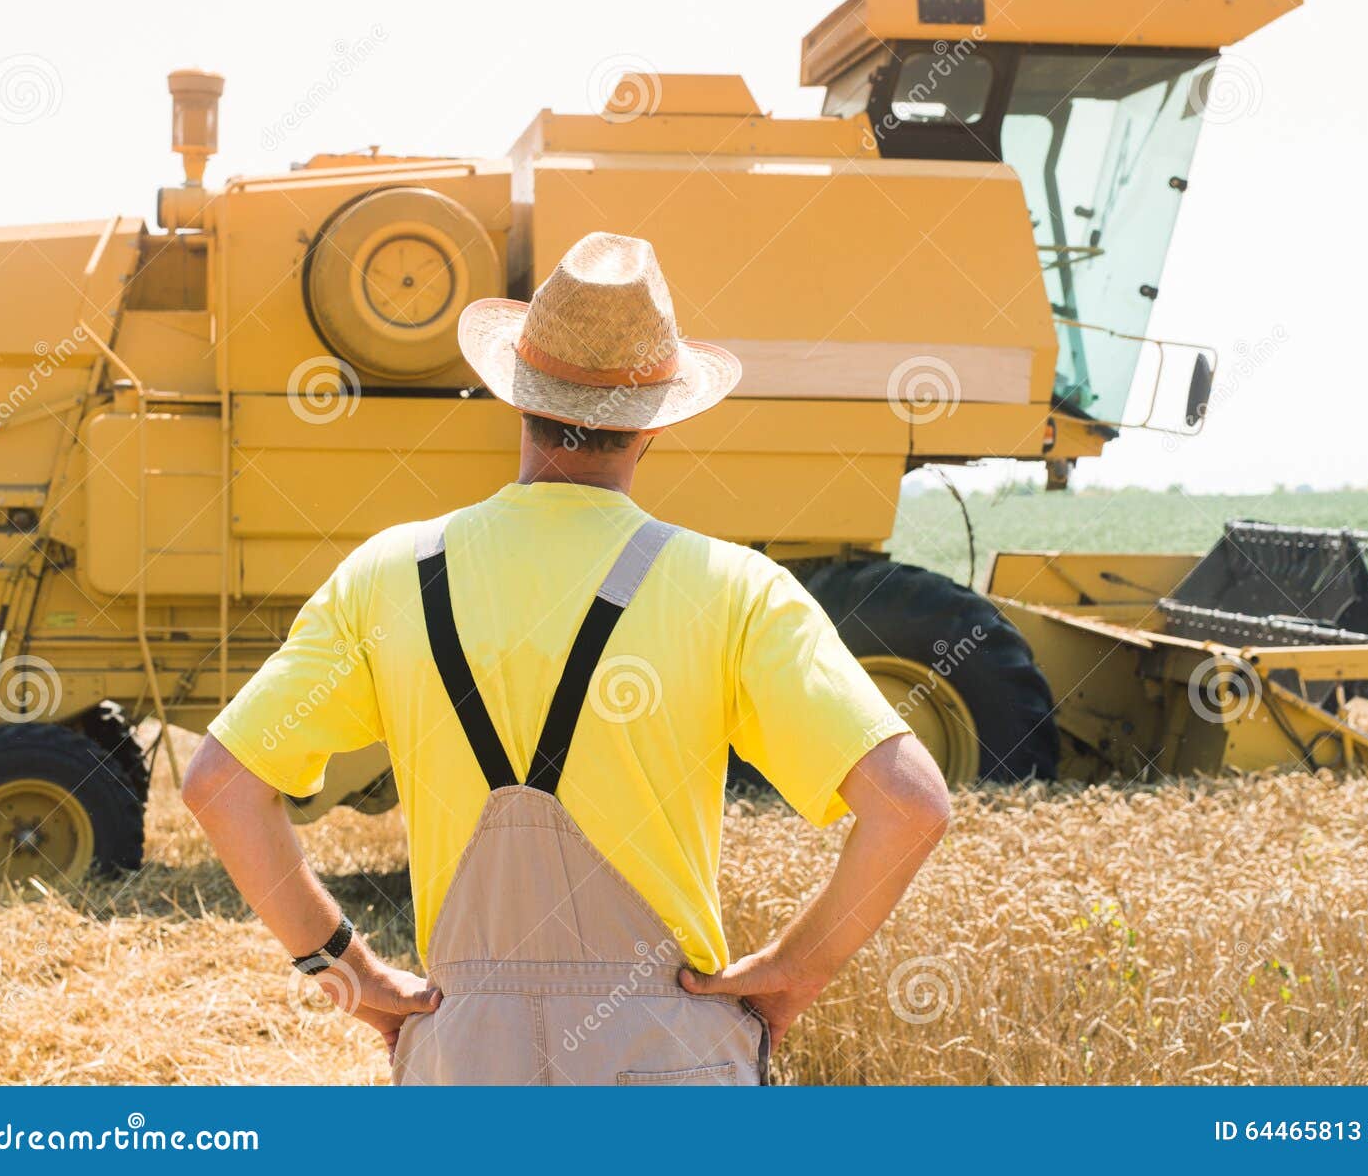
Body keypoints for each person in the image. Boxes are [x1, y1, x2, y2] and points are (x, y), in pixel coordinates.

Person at [182, 231, 949, 1085]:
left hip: (463, 1062)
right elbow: (911, 807)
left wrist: (350, 975)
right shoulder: (735, 589)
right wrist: (797, 969)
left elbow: (219, 786)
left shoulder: (388, 575)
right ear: (656, 420)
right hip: (670, 1061)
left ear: (518, 395)